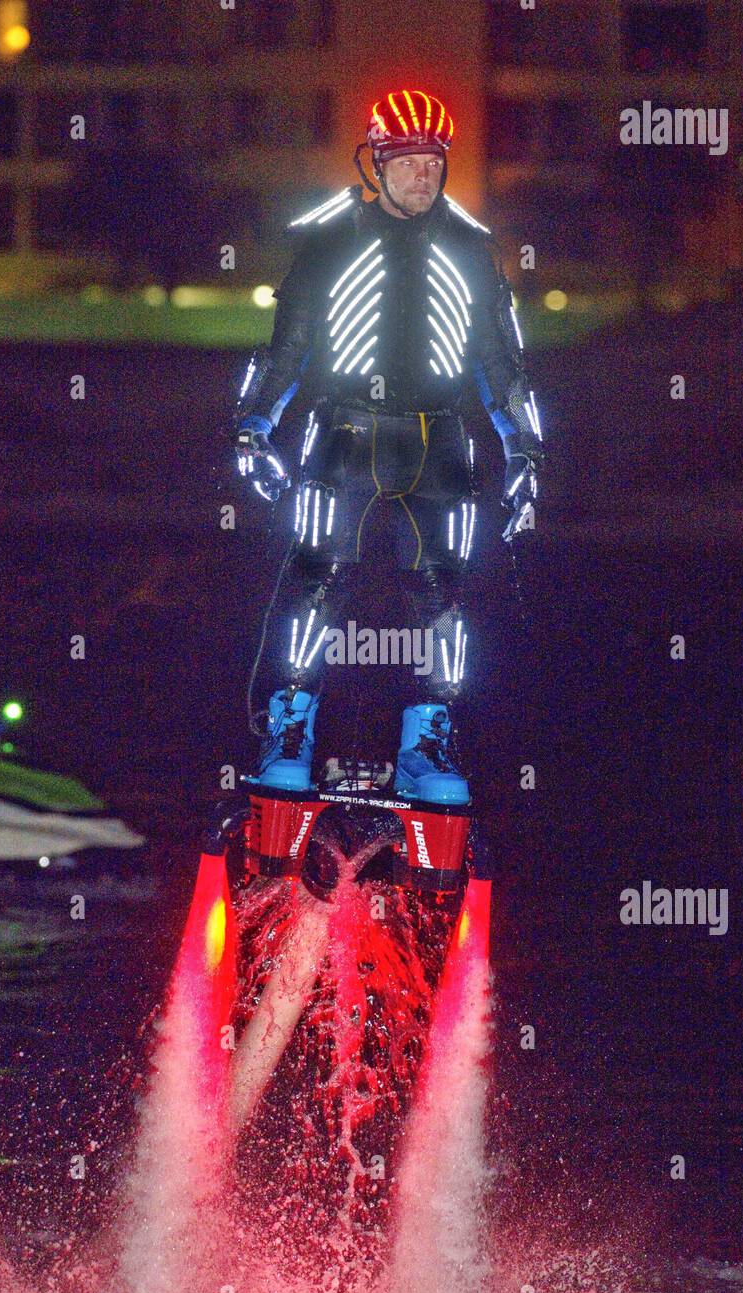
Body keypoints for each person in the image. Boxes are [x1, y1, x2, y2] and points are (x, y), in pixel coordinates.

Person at [233, 89, 545, 805]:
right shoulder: (328, 238)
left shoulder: (470, 246)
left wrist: (525, 451)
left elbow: (502, 365)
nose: (422, 176)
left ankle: (428, 740)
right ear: (377, 162)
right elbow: (288, 350)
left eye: (433, 162)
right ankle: (290, 730)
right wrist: (253, 426)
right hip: (341, 435)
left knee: (441, 596)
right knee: (316, 580)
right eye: (407, 162)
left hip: (440, 443)